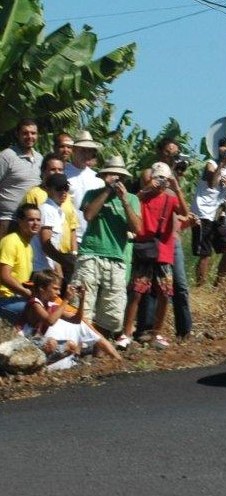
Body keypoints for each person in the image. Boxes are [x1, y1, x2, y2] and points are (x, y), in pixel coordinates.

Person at [71, 156, 141, 339]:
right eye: (112, 175)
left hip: (116, 258)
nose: (116, 179)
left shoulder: (132, 199)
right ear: (104, 176)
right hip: (90, 254)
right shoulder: (93, 194)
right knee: (82, 305)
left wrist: (124, 200)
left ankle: (98, 348)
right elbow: (88, 215)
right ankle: (79, 347)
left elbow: (137, 228)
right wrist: (107, 191)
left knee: (112, 313)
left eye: (119, 176)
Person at [121, 162, 187, 349]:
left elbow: (184, 212)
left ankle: (156, 334)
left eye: (164, 179)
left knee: (165, 293)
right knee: (136, 292)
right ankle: (126, 333)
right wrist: (145, 190)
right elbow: (131, 203)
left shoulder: (170, 198)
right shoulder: (142, 198)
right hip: (144, 248)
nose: (161, 183)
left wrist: (177, 189)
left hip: (163, 250)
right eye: (158, 178)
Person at [137, 138, 193, 340]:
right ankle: (147, 329)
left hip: (172, 236)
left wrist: (176, 183)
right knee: (149, 286)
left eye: (176, 153)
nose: (172, 156)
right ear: (160, 152)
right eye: (169, 152)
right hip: (153, 237)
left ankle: (184, 329)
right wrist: (160, 180)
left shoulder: (174, 178)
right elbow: (145, 195)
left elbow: (183, 209)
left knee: (180, 284)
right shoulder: (150, 173)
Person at [20, 269, 120, 364]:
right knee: (52, 343)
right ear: (42, 289)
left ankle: (48, 365)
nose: (58, 293)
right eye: (55, 289)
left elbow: (76, 320)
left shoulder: (50, 306)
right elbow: (50, 321)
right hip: (29, 343)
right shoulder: (34, 303)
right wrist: (66, 299)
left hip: (40, 343)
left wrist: (82, 299)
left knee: (71, 346)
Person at [24, 154, 79, 280]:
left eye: (66, 188)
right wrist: (66, 262)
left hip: (48, 268)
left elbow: (53, 245)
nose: (63, 192)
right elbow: (46, 244)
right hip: (39, 270)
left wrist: (58, 270)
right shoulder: (48, 210)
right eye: (59, 188)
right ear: (48, 190)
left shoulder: (57, 210)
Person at [192, 136, 226, 286]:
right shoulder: (211, 164)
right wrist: (221, 163)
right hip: (203, 212)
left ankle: (218, 285)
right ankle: (201, 287)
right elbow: (212, 183)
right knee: (205, 254)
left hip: (217, 214)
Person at [0, 204, 42, 321]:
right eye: (31, 220)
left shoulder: (28, 246)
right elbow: (4, 276)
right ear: (20, 221)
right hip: (5, 299)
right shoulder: (11, 241)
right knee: (44, 313)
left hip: (19, 298)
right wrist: (27, 293)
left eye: (38, 220)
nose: (35, 223)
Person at [0, 119, 42, 235]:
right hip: (7, 220)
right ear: (17, 134)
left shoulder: (40, 159)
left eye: (33, 133)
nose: (29, 136)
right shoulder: (6, 156)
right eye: (25, 133)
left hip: (30, 222)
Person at [66, 130, 105, 245]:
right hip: (67, 234)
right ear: (74, 150)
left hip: (90, 237)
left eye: (90, 151)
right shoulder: (63, 173)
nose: (86, 154)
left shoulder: (98, 179)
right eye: (83, 150)